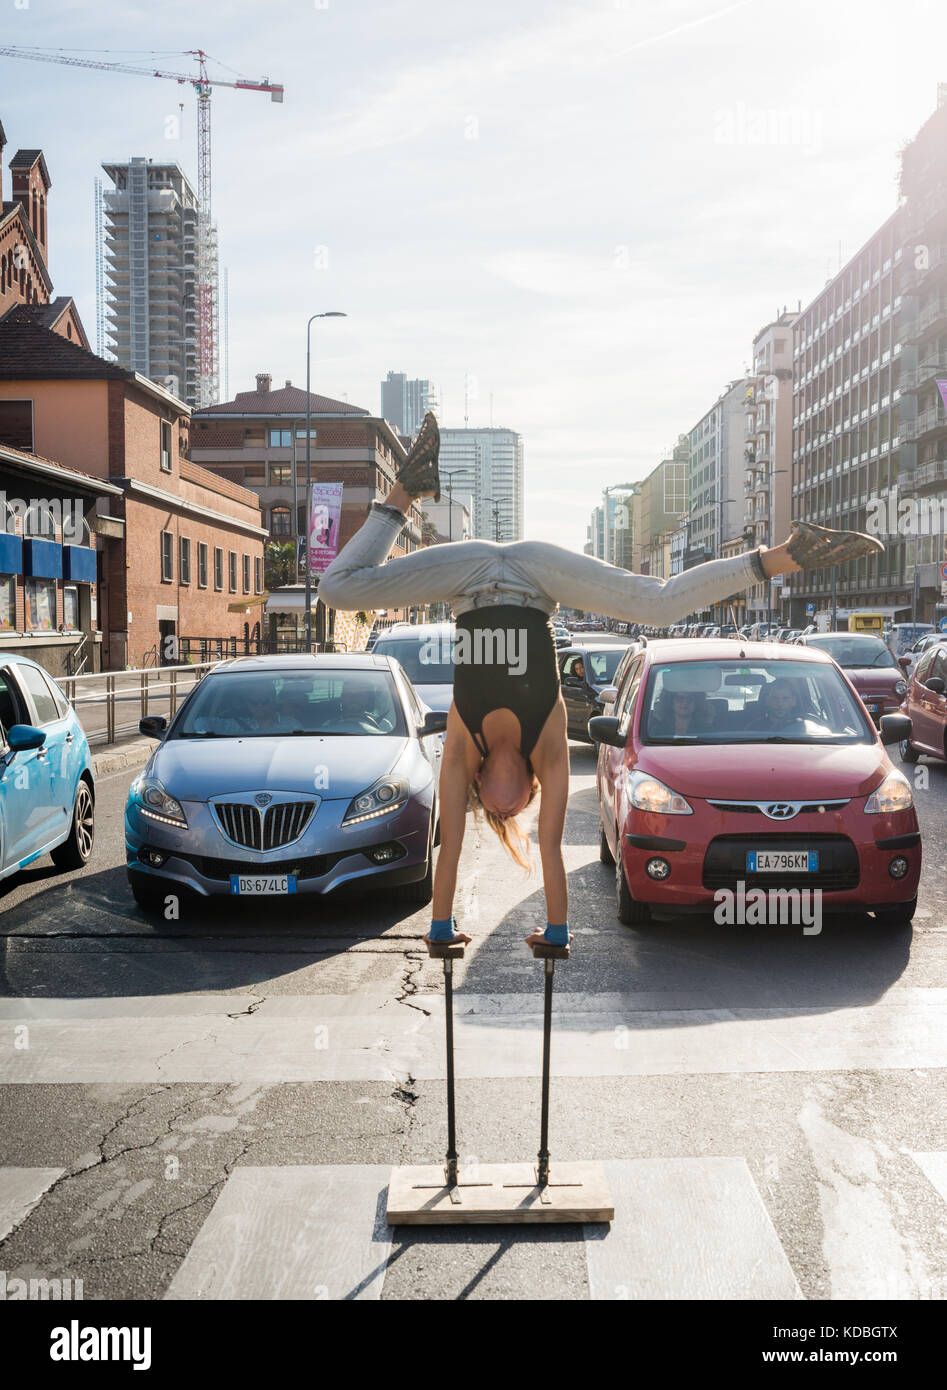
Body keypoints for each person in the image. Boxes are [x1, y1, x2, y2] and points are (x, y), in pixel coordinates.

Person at [317, 412, 884, 954]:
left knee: (337, 590)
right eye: (517, 810)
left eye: (498, 810)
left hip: (466, 579)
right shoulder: (548, 745)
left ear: (483, 792)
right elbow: (553, 849)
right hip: (539, 578)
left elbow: (451, 851)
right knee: (659, 606)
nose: (509, 806)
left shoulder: (465, 747)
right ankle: (786, 554)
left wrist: (439, 928)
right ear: (528, 795)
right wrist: (557, 932)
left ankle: (407, 490)